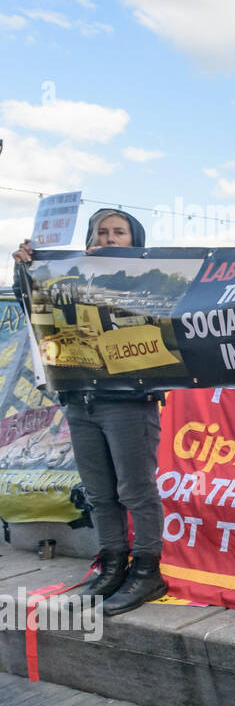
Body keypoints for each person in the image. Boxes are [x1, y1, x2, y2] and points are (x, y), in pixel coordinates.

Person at [12, 209, 168, 615]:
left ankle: (147, 572)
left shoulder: (150, 283)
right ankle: (112, 567)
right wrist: (28, 269)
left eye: (120, 232)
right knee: (99, 494)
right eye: (103, 231)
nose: (111, 237)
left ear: (136, 242)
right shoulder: (68, 279)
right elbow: (34, 306)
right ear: (89, 239)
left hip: (129, 402)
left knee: (135, 491)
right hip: (81, 400)